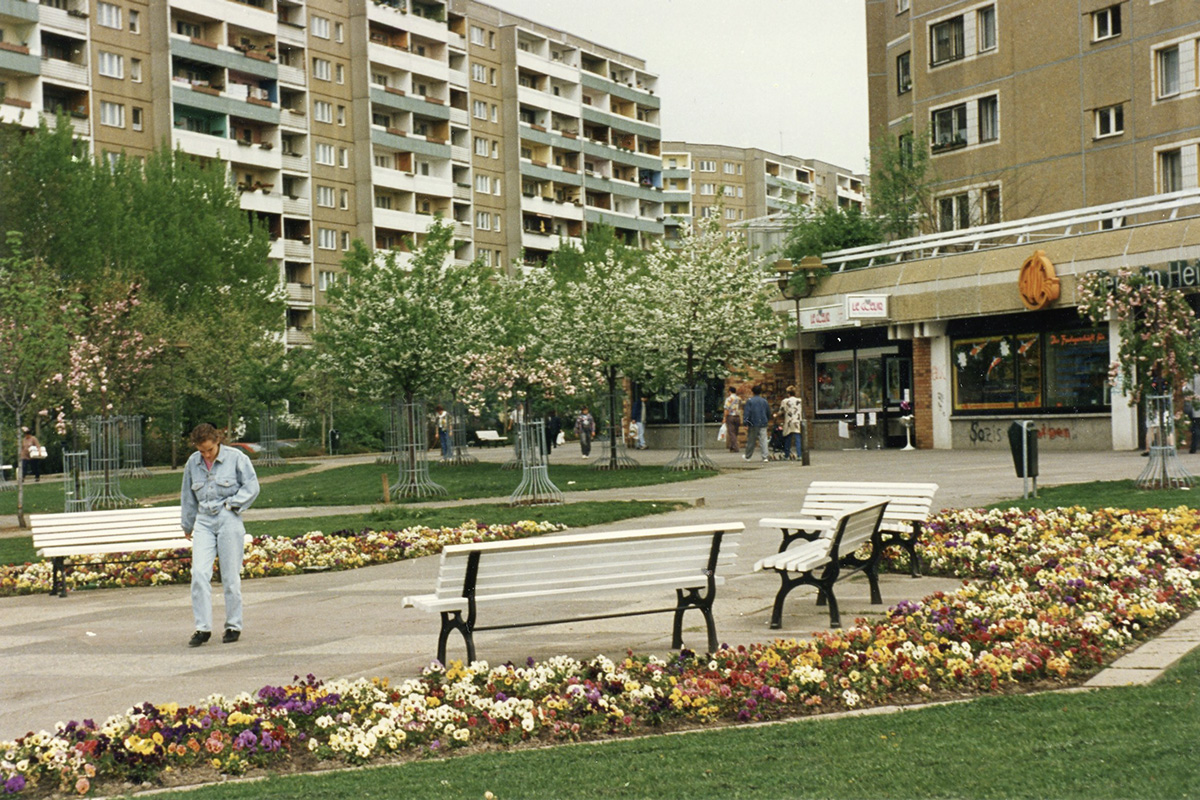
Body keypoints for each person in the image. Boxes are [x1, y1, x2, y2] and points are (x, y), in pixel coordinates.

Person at [182, 423, 260, 648]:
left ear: (218, 442)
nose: (206, 454)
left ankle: (233, 625)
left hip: (228, 517)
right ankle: (202, 628)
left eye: (210, 450)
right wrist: (187, 524)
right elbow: (188, 495)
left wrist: (234, 504)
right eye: (202, 451)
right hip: (204, 520)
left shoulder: (236, 458)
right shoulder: (192, 463)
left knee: (230, 575)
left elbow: (252, 486)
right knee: (199, 573)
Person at [742, 385, 771, 463]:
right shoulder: (764, 401)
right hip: (763, 421)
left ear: (753, 392)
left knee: (751, 440)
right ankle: (765, 457)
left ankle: (748, 456)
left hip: (753, 422)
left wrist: (745, 422)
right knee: (763, 440)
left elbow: (747, 413)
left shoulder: (750, 401)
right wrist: (767, 419)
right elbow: (768, 412)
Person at [779, 386, 803, 461]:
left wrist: (776, 414)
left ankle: (786, 455)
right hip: (797, 421)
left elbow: (781, 411)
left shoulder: (785, 401)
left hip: (789, 421)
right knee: (798, 438)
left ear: (788, 393)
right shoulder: (799, 400)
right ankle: (799, 455)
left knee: (788, 438)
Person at [723, 386, 743, 452]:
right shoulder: (739, 399)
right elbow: (740, 407)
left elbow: (726, 409)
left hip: (730, 416)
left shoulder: (728, 399)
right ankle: (732, 447)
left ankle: (736, 447)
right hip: (737, 416)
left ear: (730, 392)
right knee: (735, 432)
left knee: (731, 432)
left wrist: (724, 418)